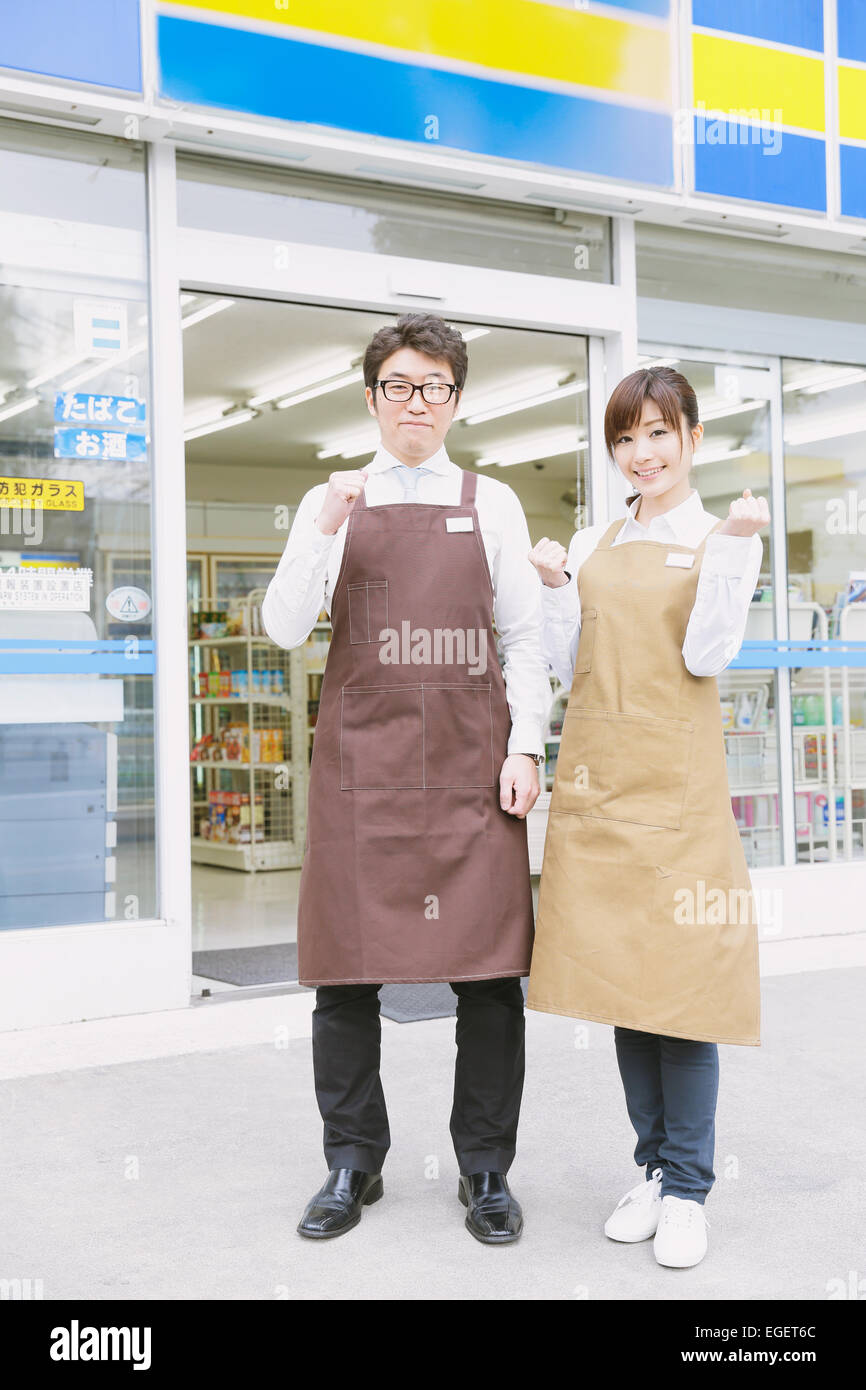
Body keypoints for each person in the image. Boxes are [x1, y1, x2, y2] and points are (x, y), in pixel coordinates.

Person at [262, 313, 550, 1243]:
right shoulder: (333, 501)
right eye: (398, 385)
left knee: (490, 978)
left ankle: (486, 1170)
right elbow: (282, 627)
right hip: (363, 772)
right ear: (373, 397)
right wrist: (320, 528)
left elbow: (522, 639)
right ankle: (352, 1162)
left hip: (472, 769)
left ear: (456, 400)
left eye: (433, 386)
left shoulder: (494, 501)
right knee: (344, 980)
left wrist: (526, 745)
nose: (416, 402)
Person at [526, 365, 767, 1269]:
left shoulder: (718, 534)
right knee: (623, 989)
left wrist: (739, 547)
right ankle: (655, 1172)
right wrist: (553, 586)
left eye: (658, 433)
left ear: (693, 439)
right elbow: (566, 663)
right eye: (625, 438)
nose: (642, 454)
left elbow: (707, 653)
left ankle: (692, 1188)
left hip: (680, 794)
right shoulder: (594, 539)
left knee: (684, 996)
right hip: (599, 794)